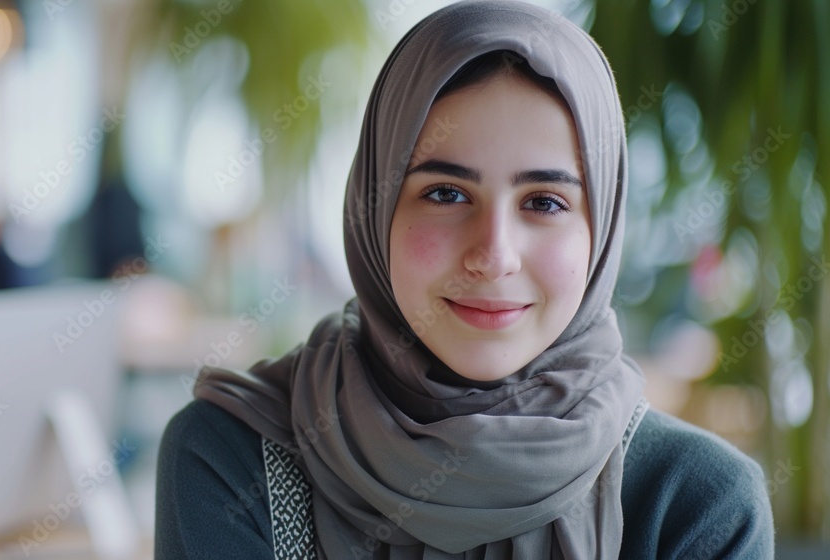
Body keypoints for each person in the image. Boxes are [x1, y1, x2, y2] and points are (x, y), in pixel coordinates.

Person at [156, 1, 775, 558]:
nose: (494, 255)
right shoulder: (234, 461)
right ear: (376, 207)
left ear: (603, 226)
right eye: (446, 193)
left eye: (545, 202)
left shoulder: (696, 506)